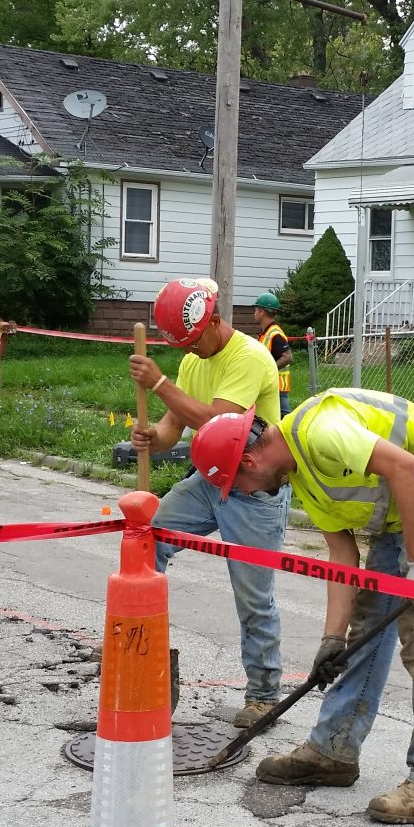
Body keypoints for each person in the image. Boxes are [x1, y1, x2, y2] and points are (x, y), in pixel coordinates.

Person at [188, 387, 414, 824]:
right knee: (364, 632)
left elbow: (408, 467)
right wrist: (331, 640)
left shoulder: (321, 433)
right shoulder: (301, 474)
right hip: (400, 513)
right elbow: (342, 559)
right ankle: (334, 750)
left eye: (239, 487)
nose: (247, 494)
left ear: (249, 463)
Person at [127, 277, 290, 729]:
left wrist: (158, 381)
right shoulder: (190, 363)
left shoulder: (252, 357)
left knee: (253, 597)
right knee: (147, 539)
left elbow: (221, 420)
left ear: (215, 321)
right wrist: (151, 438)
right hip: (209, 481)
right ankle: (148, 652)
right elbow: (173, 428)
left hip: (255, 488)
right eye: (182, 345)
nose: (190, 350)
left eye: (193, 341)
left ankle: (263, 696)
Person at [253, 291, 294, 417]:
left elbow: (288, 357)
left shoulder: (274, 333)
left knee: (284, 418)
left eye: (255, 310)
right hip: (272, 386)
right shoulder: (267, 332)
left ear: (262, 312)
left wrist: (269, 369)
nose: (254, 313)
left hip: (278, 387)